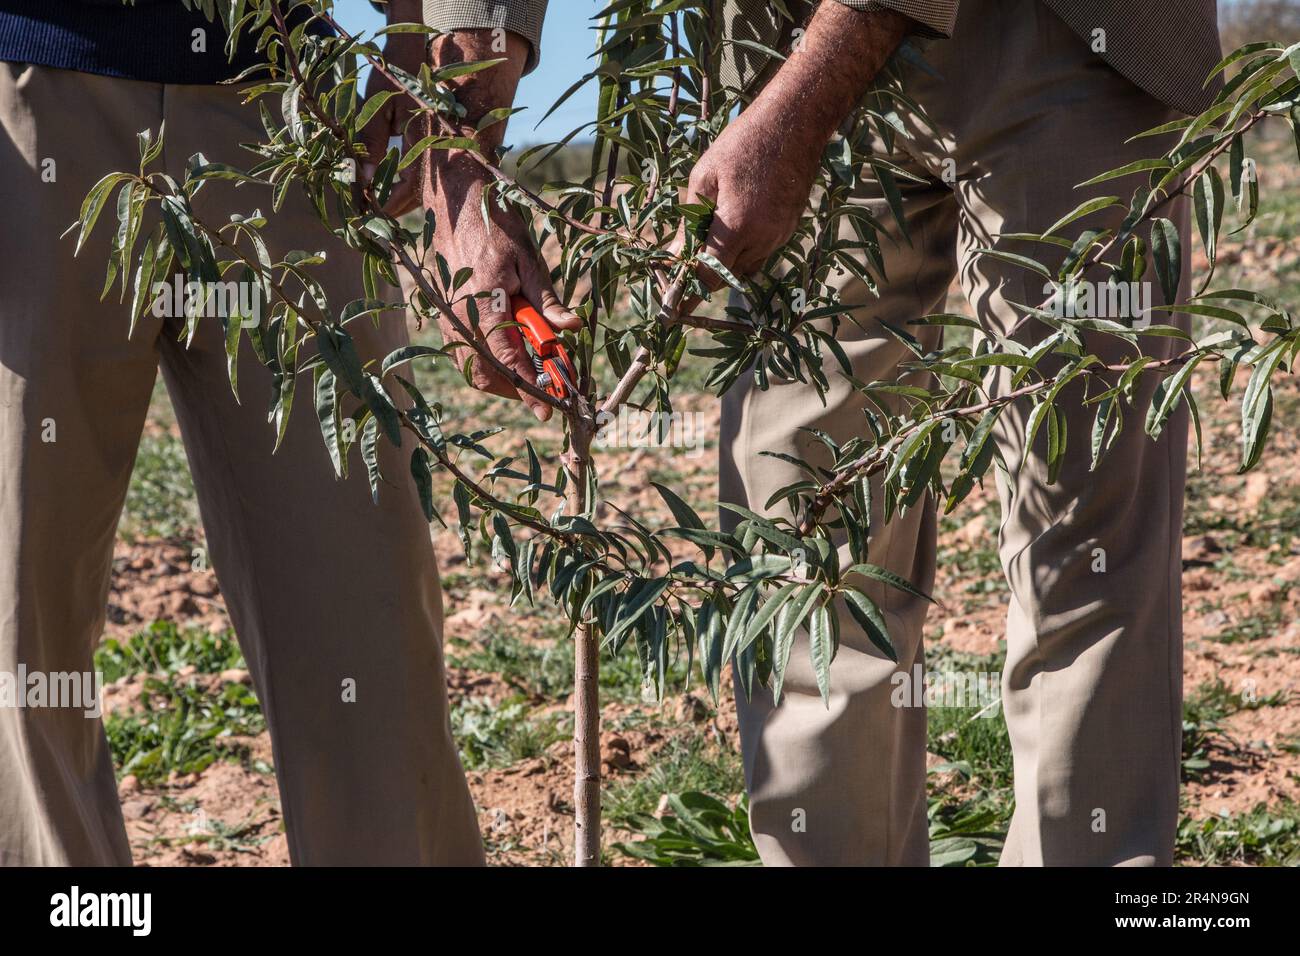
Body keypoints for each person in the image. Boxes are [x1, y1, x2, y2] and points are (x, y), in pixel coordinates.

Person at [407, 0, 1221, 865]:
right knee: (802, 550)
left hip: (1071, 26)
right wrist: (459, 154)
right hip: (782, 39)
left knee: (1081, 535)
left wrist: (810, 90)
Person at [0, 0, 483, 865]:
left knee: (370, 615)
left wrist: (424, 45)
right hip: (31, 92)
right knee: (16, 617)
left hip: (285, 104)